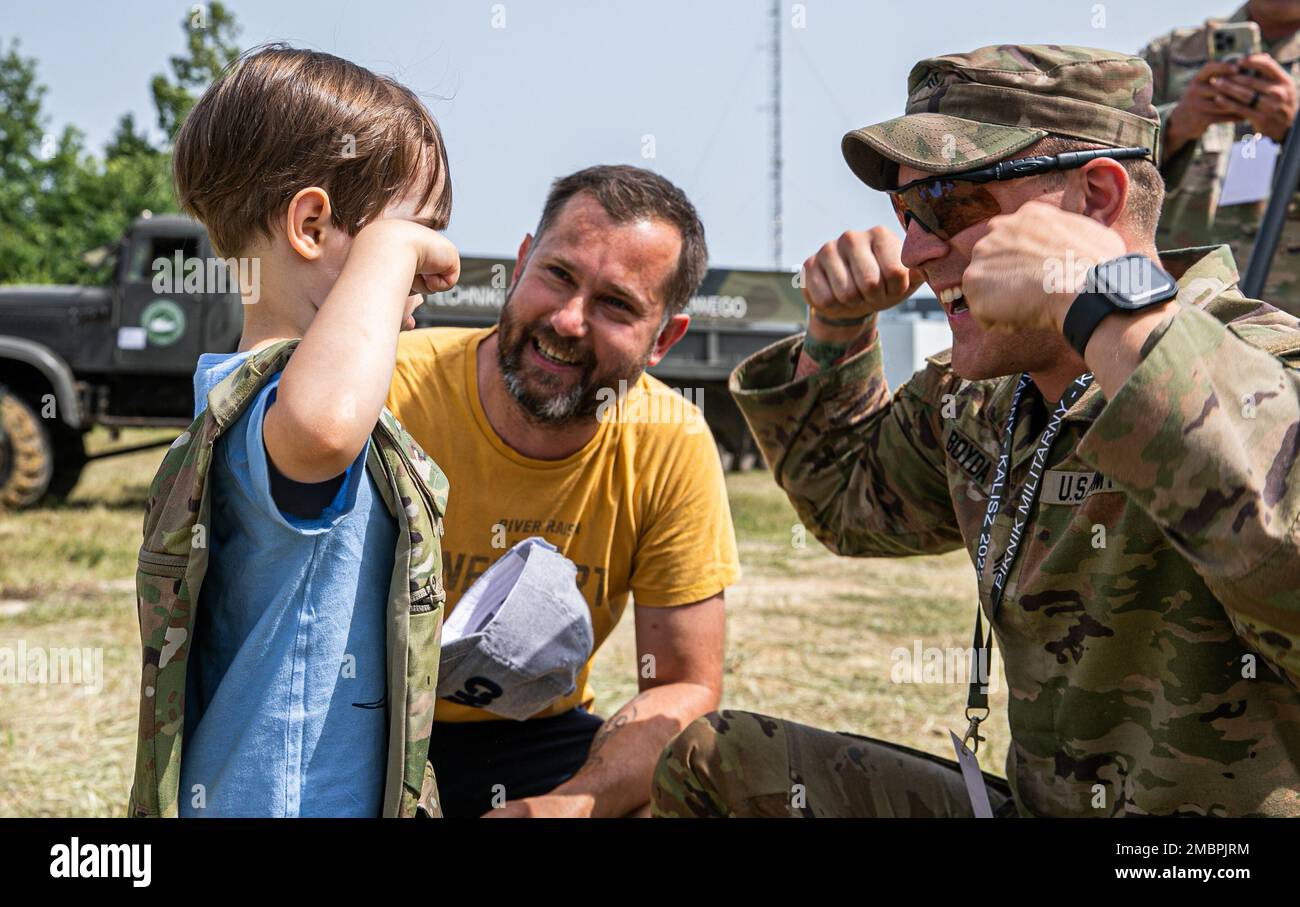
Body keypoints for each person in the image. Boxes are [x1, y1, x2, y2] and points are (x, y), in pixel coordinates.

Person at [651, 44, 1300, 818]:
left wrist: (1108, 306)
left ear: (1096, 197)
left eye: (952, 205)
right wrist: (834, 333)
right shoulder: (986, 394)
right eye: (905, 213)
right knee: (720, 764)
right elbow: (851, 504)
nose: (916, 250)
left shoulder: (1266, 364)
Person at [153, 45, 460, 817]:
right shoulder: (275, 404)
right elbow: (325, 429)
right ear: (313, 224)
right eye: (412, 243)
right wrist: (391, 249)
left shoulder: (248, 397)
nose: (421, 280)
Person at [386, 165, 740, 817]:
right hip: (361, 727)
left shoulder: (672, 440)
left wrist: (572, 805)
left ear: (664, 338)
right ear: (522, 263)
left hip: (538, 740)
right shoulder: (387, 389)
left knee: (700, 788)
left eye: (617, 304)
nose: (570, 320)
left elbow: (686, 683)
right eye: (558, 274)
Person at [1142, 1, 1300, 303]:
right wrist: (1175, 128)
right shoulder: (1168, 56)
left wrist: (1292, 134)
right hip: (1179, 310)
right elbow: (1101, 164)